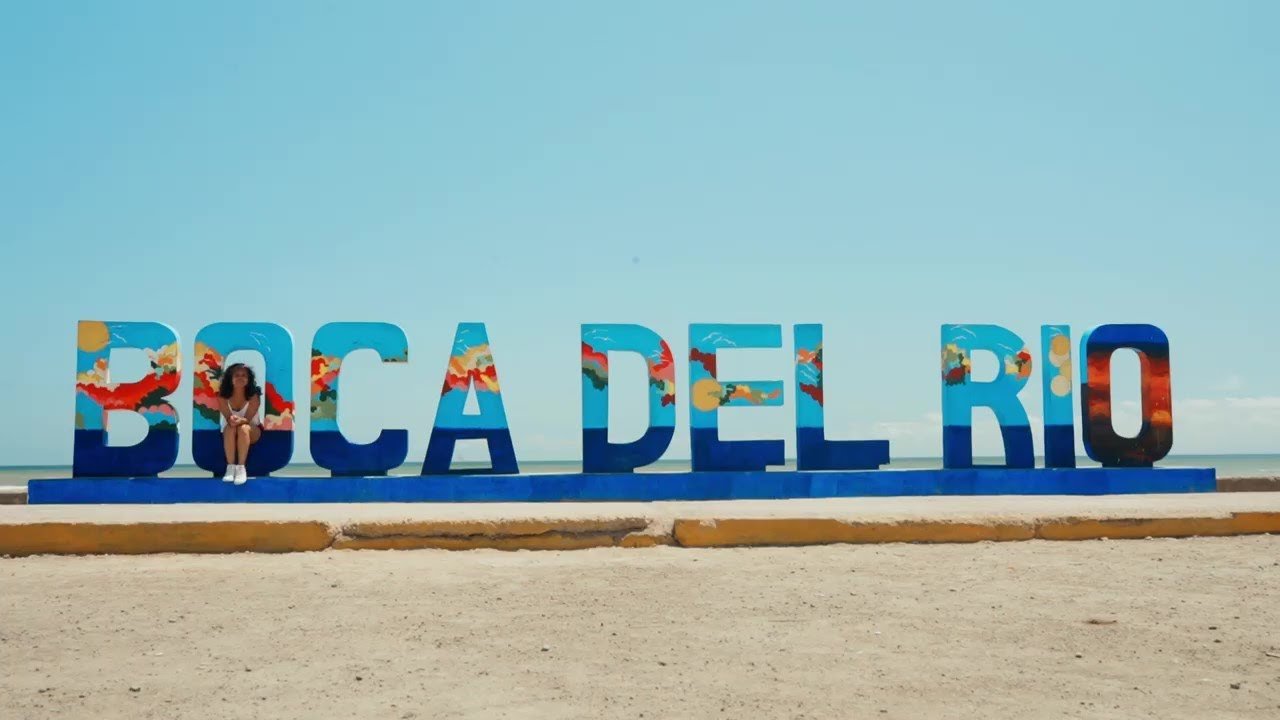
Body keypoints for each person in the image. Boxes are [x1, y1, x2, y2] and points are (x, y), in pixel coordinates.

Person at [219, 363, 261, 484]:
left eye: (244, 375)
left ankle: (241, 468)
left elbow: (247, 419)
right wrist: (231, 420)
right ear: (230, 379)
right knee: (230, 428)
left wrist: (240, 420)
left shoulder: (253, 396)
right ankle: (230, 468)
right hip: (230, 431)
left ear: (248, 379)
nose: (240, 377)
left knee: (243, 428)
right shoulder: (223, 396)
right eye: (236, 375)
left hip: (251, 430)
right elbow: (228, 418)